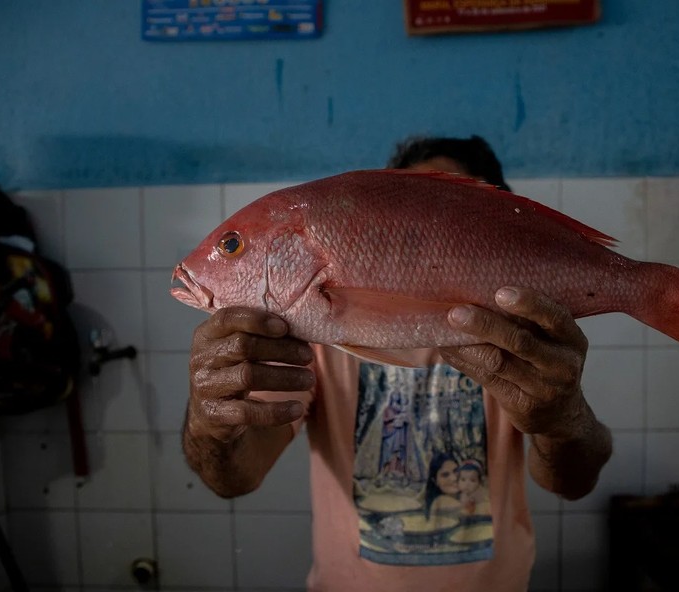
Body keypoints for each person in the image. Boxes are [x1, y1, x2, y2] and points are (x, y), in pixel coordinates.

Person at [182, 135, 613, 591]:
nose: (427, 232)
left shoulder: (525, 338)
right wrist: (207, 425)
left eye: (455, 215)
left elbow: (572, 482)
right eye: (410, 212)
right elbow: (235, 478)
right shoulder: (314, 329)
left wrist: (566, 419)